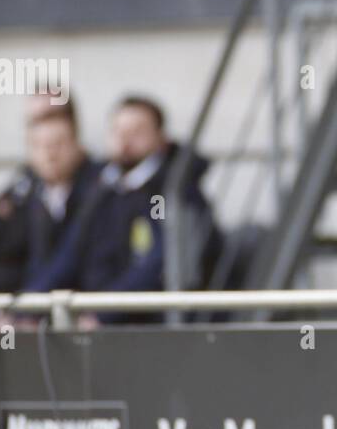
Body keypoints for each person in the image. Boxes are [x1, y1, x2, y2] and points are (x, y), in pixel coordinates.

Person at [26, 94, 219, 323]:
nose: (125, 140)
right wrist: (25, 308)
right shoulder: (102, 187)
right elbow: (70, 253)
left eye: (137, 132)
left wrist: (102, 314)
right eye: (117, 131)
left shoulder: (166, 193)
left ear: (161, 139)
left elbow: (159, 260)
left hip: (147, 328)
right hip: (99, 321)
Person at [0, 97, 101, 292]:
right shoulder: (25, 191)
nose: (50, 155)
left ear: (76, 144)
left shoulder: (98, 188)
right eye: (39, 146)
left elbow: (74, 256)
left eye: (58, 144)